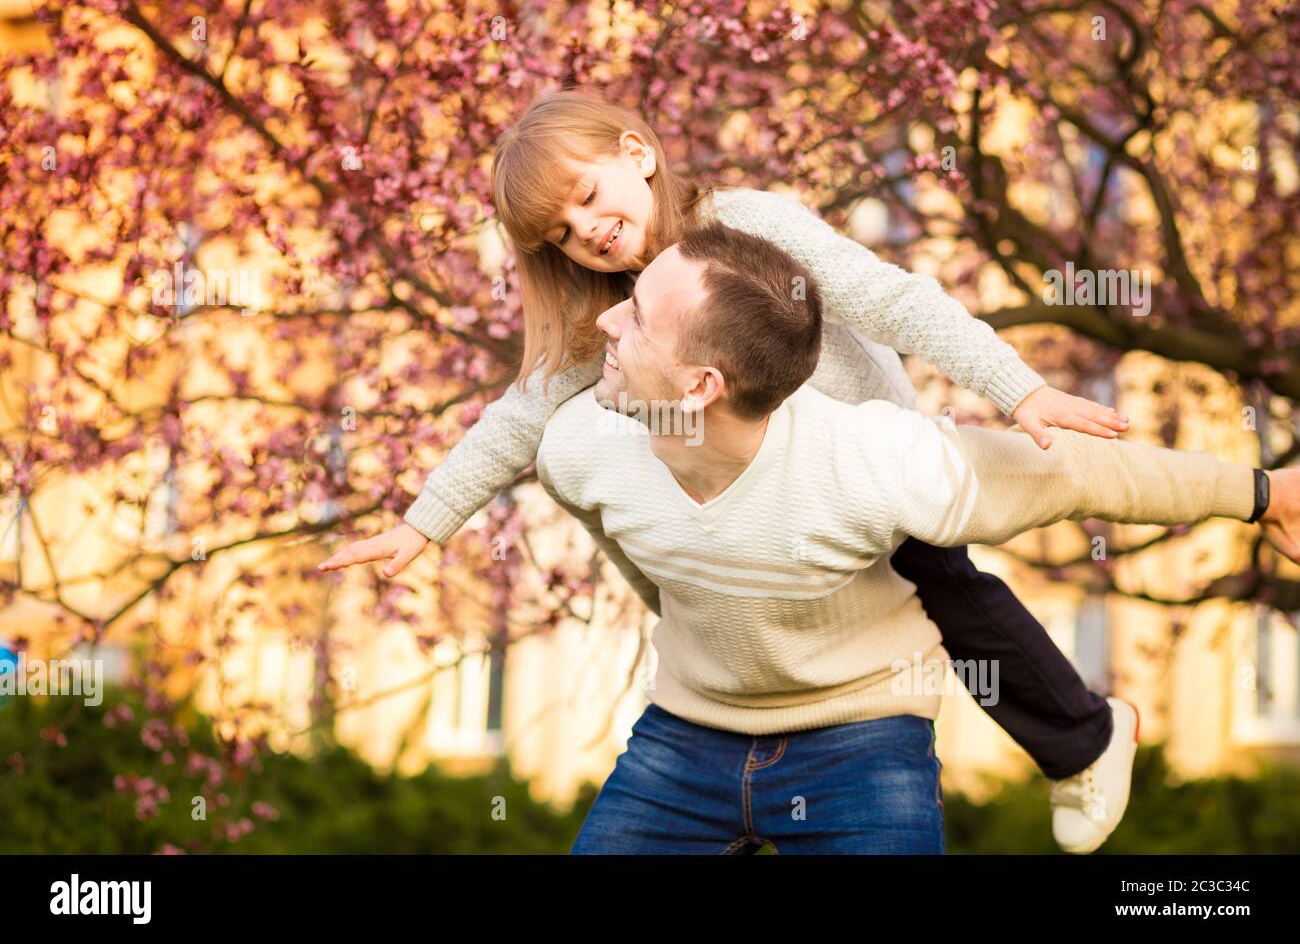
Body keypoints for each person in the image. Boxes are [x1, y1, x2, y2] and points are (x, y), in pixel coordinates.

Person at [320, 88, 1151, 851]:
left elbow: (891, 299)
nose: (589, 233)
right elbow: (520, 417)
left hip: (864, 473)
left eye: (586, 198)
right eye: (563, 235)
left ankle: (1089, 737)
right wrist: (421, 524)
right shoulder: (613, 311)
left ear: (638, 153)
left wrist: (1021, 390)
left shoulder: (749, 226)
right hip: (762, 513)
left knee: (951, 591)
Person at [529, 220, 1299, 853]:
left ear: (700, 386)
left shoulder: (877, 460)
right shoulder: (574, 452)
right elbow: (655, 576)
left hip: (862, 739)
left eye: (634, 317)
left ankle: (1090, 738)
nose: (604, 318)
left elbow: (1080, 477)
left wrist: (1263, 493)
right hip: (684, 740)